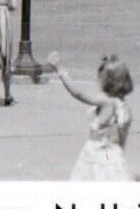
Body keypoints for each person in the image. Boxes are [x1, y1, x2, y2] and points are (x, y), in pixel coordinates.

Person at [47, 51, 135, 181]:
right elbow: (122, 140)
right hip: (113, 155)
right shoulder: (125, 109)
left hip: (97, 153)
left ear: (107, 81)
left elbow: (79, 94)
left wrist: (60, 69)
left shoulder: (106, 102)